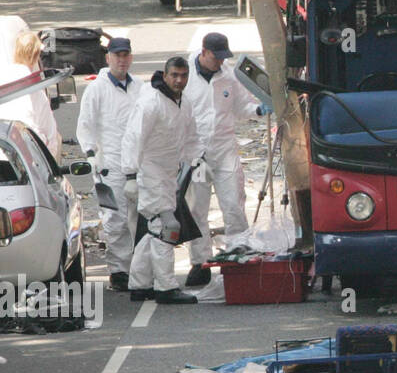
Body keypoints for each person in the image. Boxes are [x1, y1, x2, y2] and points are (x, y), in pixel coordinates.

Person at [182, 32, 265, 287]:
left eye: (222, 58)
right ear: (204, 52)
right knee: (197, 209)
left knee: (233, 203)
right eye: (215, 58)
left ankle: (237, 254)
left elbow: (242, 107)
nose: (219, 62)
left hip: (224, 148)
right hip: (194, 152)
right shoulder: (184, 75)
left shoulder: (228, 75)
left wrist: (259, 110)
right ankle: (200, 262)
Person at [122, 56, 200, 305]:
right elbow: (134, 138)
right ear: (165, 75)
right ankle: (166, 287)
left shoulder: (183, 103)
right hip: (150, 170)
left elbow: (190, 135)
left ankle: (140, 283)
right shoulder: (151, 103)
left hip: (168, 173)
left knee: (153, 230)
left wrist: (197, 161)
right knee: (167, 226)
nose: (179, 80)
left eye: (183, 75)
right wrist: (131, 176)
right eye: (174, 75)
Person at [74, 36, 142, 292]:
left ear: (131, 57)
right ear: (108, 58)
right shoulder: (97, 89)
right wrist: (92, 155)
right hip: (109, 166)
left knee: (138, 218)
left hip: (136, 164)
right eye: (118, 55)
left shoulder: (139, 87)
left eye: (126, 55)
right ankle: (119, 270)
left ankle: (137, 266)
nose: (122, 60)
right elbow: (86, 125)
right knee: (115, 219)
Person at [0, 31, 60, 158]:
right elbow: (49, 131)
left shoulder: (4, 78)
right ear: (36, 55)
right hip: (29, 154)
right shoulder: (33, 89)